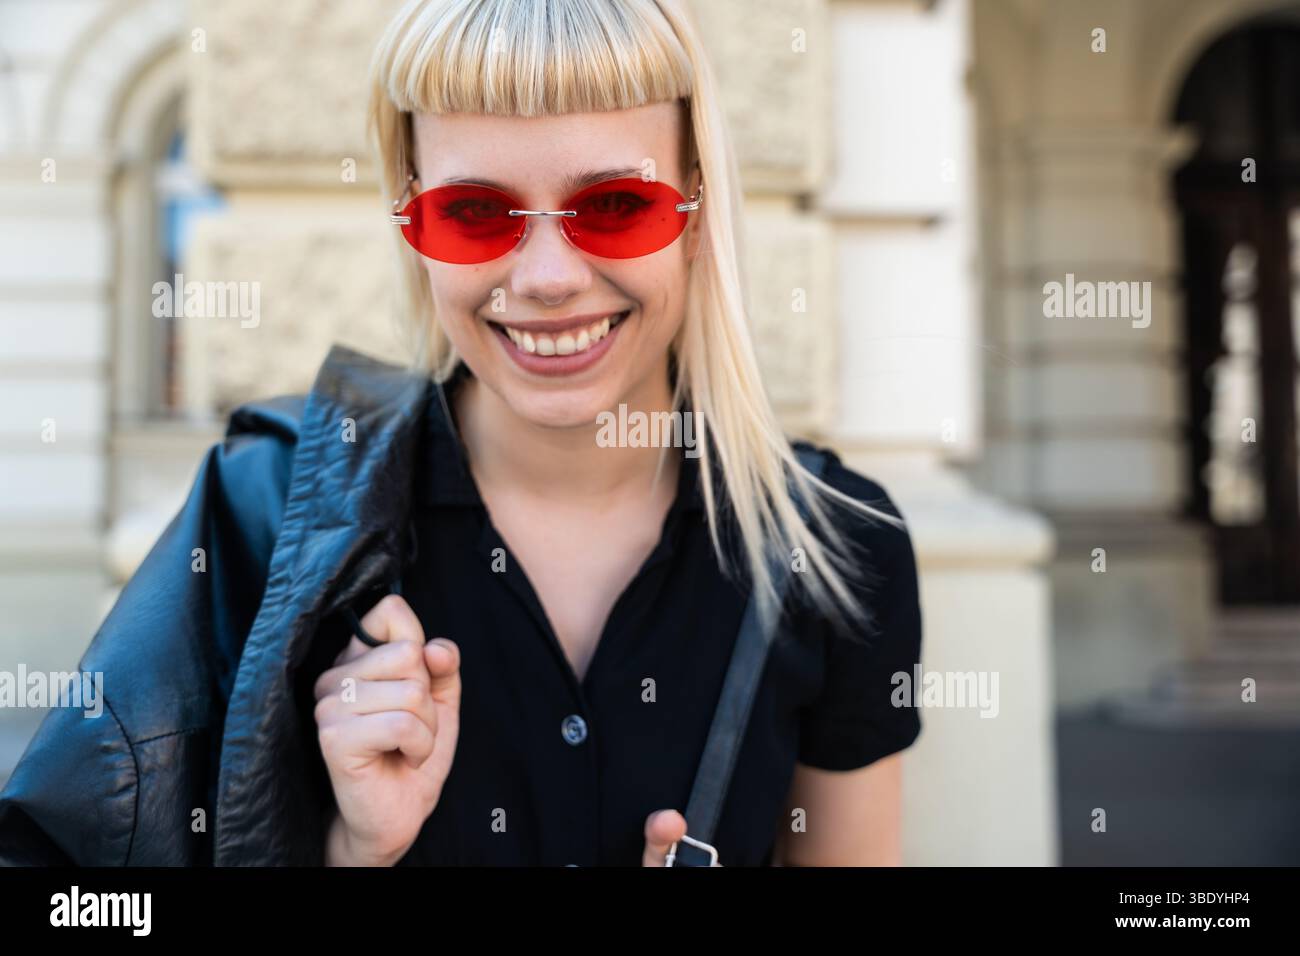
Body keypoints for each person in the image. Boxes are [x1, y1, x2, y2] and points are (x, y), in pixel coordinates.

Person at [0, 0, 922, 867]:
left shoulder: (841, 549)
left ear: (692, 212)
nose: (550, 276)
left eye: (613, 205)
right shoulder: (268, 517)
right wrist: (352, 856)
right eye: (476, 214)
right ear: (414, 225)